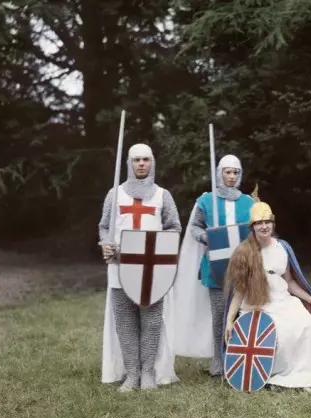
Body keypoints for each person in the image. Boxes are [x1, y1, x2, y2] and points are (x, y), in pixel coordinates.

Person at [98, 143, 181, 392]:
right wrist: (106, 243)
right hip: (120, 266)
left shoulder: (162, 195)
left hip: (152, 271)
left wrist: (160, 249)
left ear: (152, 163)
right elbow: (104, 226)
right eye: (137, 160)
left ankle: (147, 373)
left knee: (152, 322)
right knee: (125, 321)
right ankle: (132, 373)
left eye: (146, 160)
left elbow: (174, 228)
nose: (142, 164)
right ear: (129, 164)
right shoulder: (115, 194)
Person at [223, 201, 311, 393]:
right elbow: (239, 292)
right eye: (259, 223)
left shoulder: (282, 247)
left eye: (267, 221)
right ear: (253, 227)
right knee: (280, 331)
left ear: (273, 224)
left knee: (305, 322)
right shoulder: (245, 253)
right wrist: (229, 320)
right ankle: (274, 377)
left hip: (282, 300)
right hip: (257, 305)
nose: (264, 226)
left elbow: (290, 281)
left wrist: (309, 299)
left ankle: (300, 377)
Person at [173, 155, 254, 376]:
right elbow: (195, 227)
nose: (231, 177)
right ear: (220, 174)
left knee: (240, 313)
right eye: (227, 172)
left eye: (235, 173)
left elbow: (255, 230)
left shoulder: (249, 202)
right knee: (219, 315)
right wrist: (207, 237)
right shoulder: (206, 200)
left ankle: (238, 358)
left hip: (242, 265)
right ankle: (219, 360)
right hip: (215, 267)